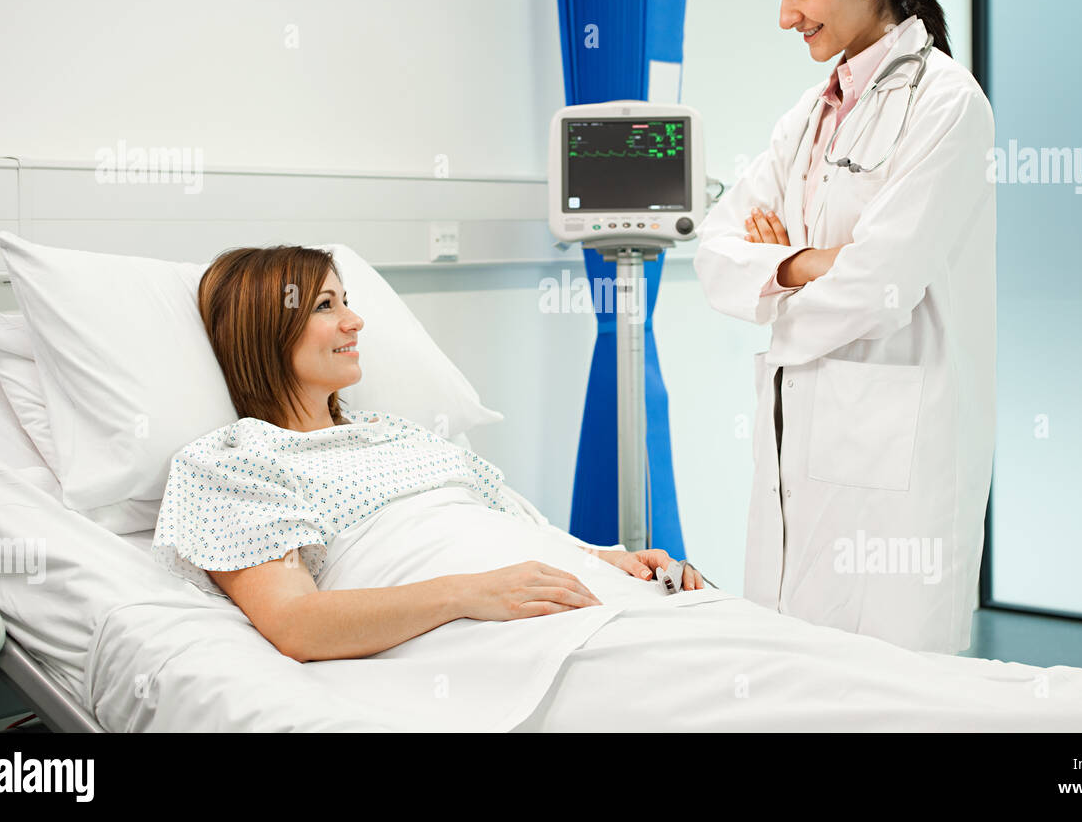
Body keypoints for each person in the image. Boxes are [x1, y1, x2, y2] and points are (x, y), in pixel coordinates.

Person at [693, 0, 996, 654]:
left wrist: (778, 267)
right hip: (801, 436)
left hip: (899, 446)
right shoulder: (810, 112)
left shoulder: (946, 104)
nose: (786, 15)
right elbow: (717, 251)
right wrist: (804, 264)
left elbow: (879, 287)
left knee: (894, 684)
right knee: (795, 670)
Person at [150, 245, 703, 663]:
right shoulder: (234, 461)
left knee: (712, 644)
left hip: (563, 598)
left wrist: (608, 558)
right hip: (487, 632)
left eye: (347, 300)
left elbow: (514, 531)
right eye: (325, 305)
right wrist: (470, 593)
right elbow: (296, 623)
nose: (354, 321)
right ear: (266, 330)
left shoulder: (398, 432)